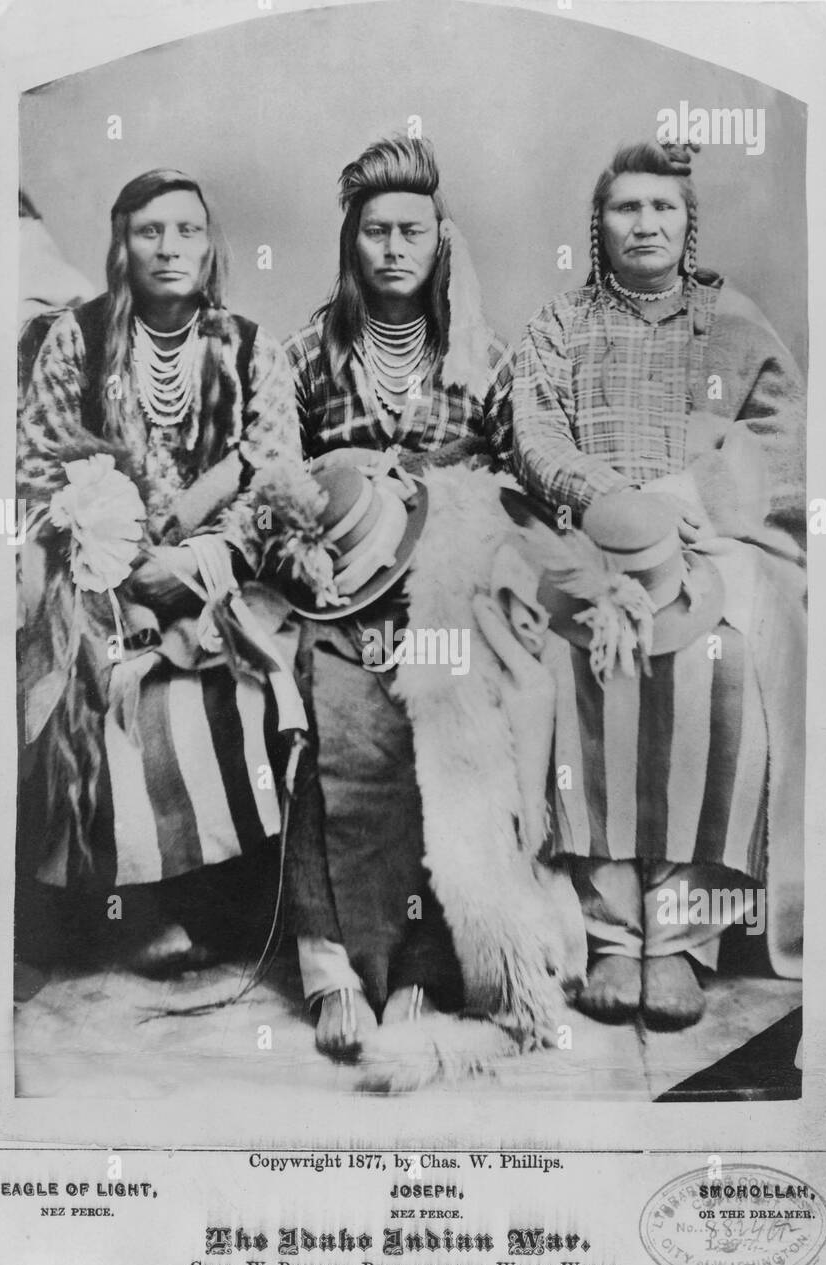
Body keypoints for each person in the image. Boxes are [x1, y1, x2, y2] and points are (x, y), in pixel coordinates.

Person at [511, 140, 806, 1029]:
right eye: (624, 209)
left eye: (662, 208)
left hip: (715, 542)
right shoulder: (558, 324)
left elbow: (783, 452)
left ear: (687, 224)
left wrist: (688, 501)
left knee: (716, 660)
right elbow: (534, 436)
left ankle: (680, 938)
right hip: (582, 538)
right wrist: (617, 504)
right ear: (596, 227)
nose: (645, 224)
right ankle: (608, 930)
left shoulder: (734, 323)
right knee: (571, 664)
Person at [17, 168, 323, 977]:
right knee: (105, 691)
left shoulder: (251, 348)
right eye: (149, 231)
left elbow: (279, 482)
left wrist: (198, 560)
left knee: (248, 677)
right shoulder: (75, 341)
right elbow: (39, 466)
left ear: (210, 244)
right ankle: (133, 912)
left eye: (187, 230)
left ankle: (225, 907)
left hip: (220, 575)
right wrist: (119, 560)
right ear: (121, 246)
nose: (169, 247)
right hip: (94, 582)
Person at [282, 134, 515, 1058]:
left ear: (439, 243)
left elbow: (514, 472)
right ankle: (327, 961)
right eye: (373, 231)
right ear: (352, 244)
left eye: (409, 231)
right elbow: (277, 481)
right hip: (335, 586)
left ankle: (423, 963)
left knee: (441, 707)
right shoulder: (308, 351)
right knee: (319, 704)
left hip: (446, 585)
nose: (390, 249)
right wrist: (315, 536)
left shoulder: (481, 354)